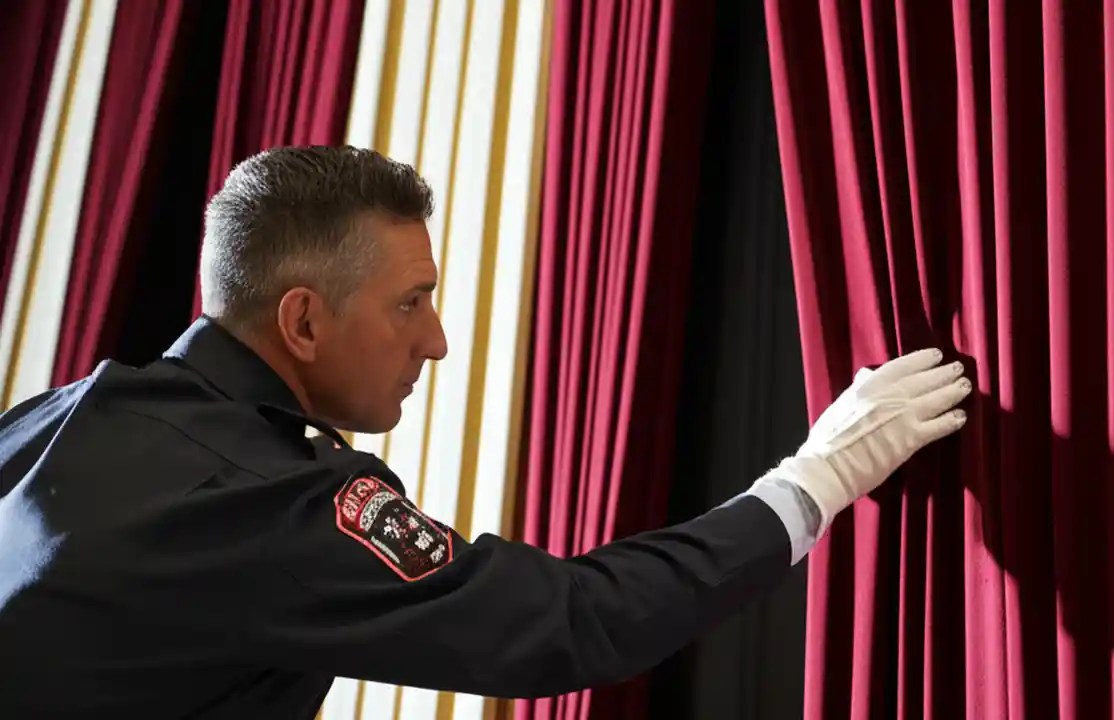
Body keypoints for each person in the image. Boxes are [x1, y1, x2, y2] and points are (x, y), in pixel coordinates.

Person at [0, 146, 971, 717]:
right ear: (301, 321)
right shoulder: (255, 498)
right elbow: (570, 625)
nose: (436, 340)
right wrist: (819, 475)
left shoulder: (53, 416)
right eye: (410, 302)